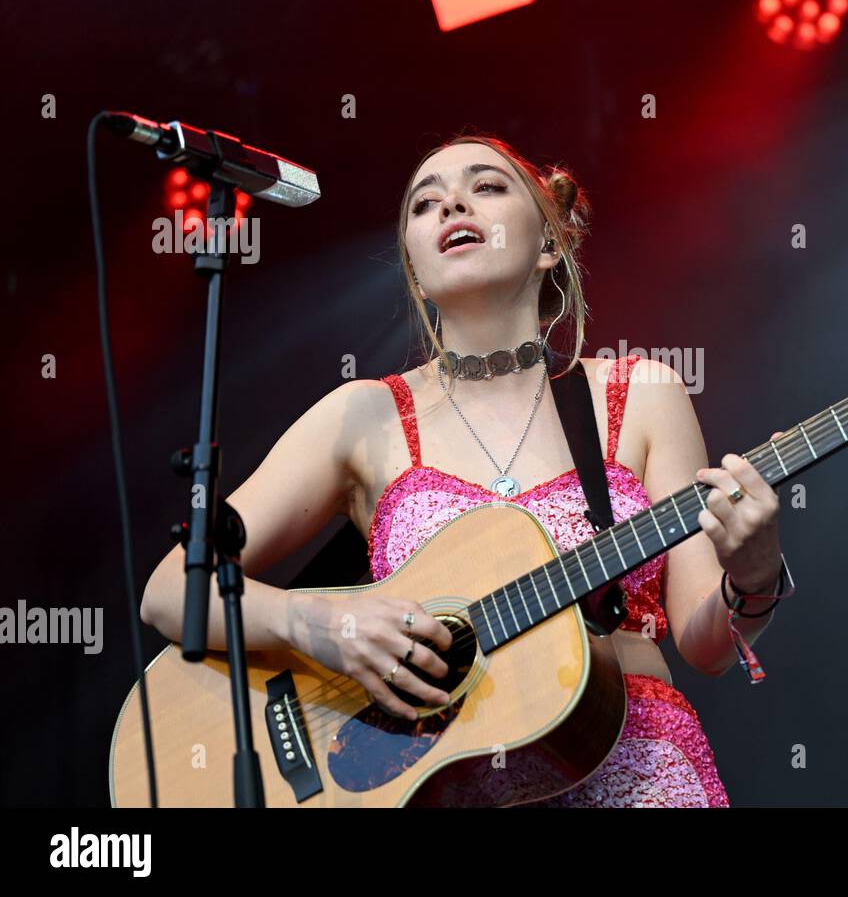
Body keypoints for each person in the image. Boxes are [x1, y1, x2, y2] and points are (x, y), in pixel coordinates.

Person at [140, 133, 790, 807]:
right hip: (440, 784)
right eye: (425, 204)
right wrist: (329, 626)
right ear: (417, 271)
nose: (452, 204)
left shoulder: (642, 393)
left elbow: (705, 645)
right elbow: (170, 592)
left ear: (548, 245)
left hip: (639, 773)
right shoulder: (364, 416)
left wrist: (754, 572)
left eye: (486, 186)